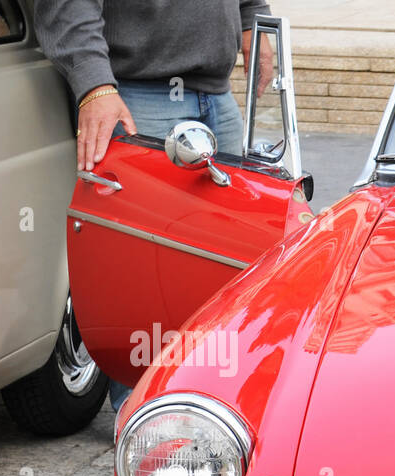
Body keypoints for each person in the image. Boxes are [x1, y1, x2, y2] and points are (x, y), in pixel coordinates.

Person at [35, 0, 276, 410]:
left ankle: (214, 416)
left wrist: (253, 17)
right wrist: (94, 83)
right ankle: (151, 432)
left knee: (230, 265)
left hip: (217, 94)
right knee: (144, 276)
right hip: (135, 94)